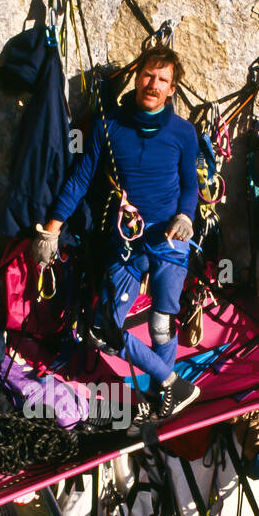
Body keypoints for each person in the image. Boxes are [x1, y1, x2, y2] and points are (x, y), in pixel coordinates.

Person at [32, 46, 200, 419]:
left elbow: (190, 184)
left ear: (172, 89)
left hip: (170, 237)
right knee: (101, 329)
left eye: (162, 80)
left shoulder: (183, 132)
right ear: (137, 77)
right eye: (148, 75)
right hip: (127, 239)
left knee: (161, 324)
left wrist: (185, 217)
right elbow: (80, 179)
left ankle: (160, 398)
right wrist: (52, 230)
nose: (153, 84)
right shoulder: (109, 125)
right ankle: (174, 382)